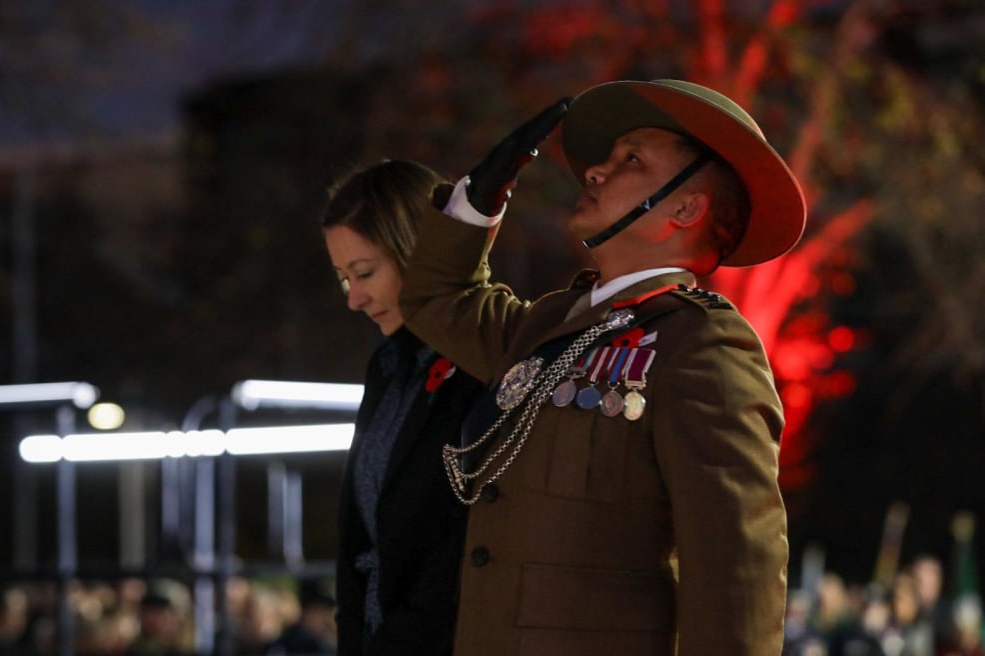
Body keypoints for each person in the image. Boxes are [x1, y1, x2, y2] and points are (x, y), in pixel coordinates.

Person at [398, 80, 806, 655]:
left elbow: (736, 565)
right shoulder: (547, 326)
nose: (593, 171)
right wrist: (477, 201)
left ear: (685, 208)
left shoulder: (702, 343)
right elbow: (434, 300)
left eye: (630, 160)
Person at [321, 159, 485, 655]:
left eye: (365, 272)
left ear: (416, 251)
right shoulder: (389, 365)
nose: (355, 298)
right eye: (343, 278)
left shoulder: (481, 356)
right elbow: (361, 537)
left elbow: (458, 544)